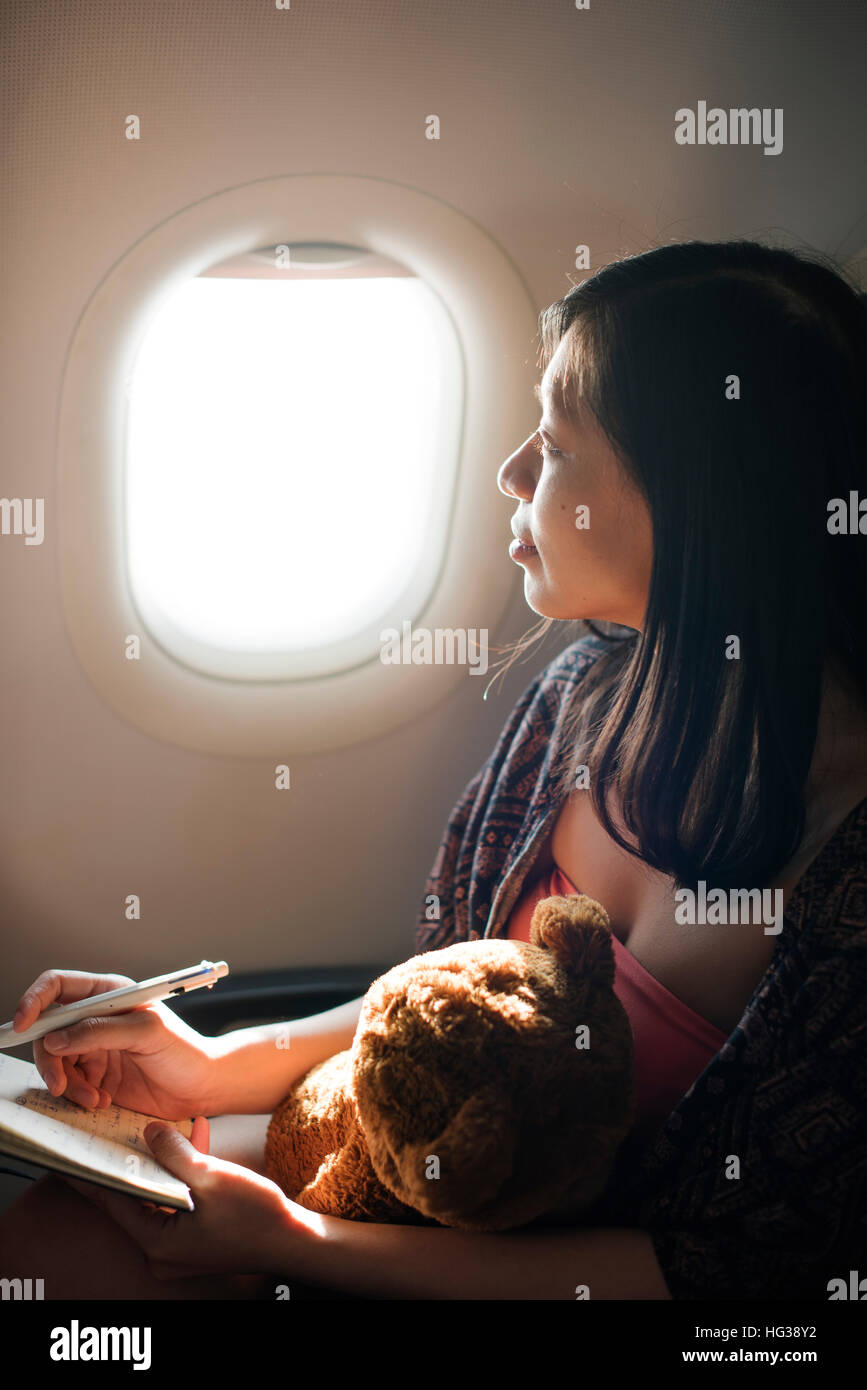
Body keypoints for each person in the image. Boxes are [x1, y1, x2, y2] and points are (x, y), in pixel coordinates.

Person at [2, 240, 865, 1300]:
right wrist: (211, 1060)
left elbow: (728, 1275)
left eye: (552, 444)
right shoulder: (584, 699)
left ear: (694, 504)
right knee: (51, 1238)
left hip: (571, 1275)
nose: (510, 473)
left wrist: (289, 1246)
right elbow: (443, 1003)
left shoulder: (843, 881)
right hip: (407, 1179)